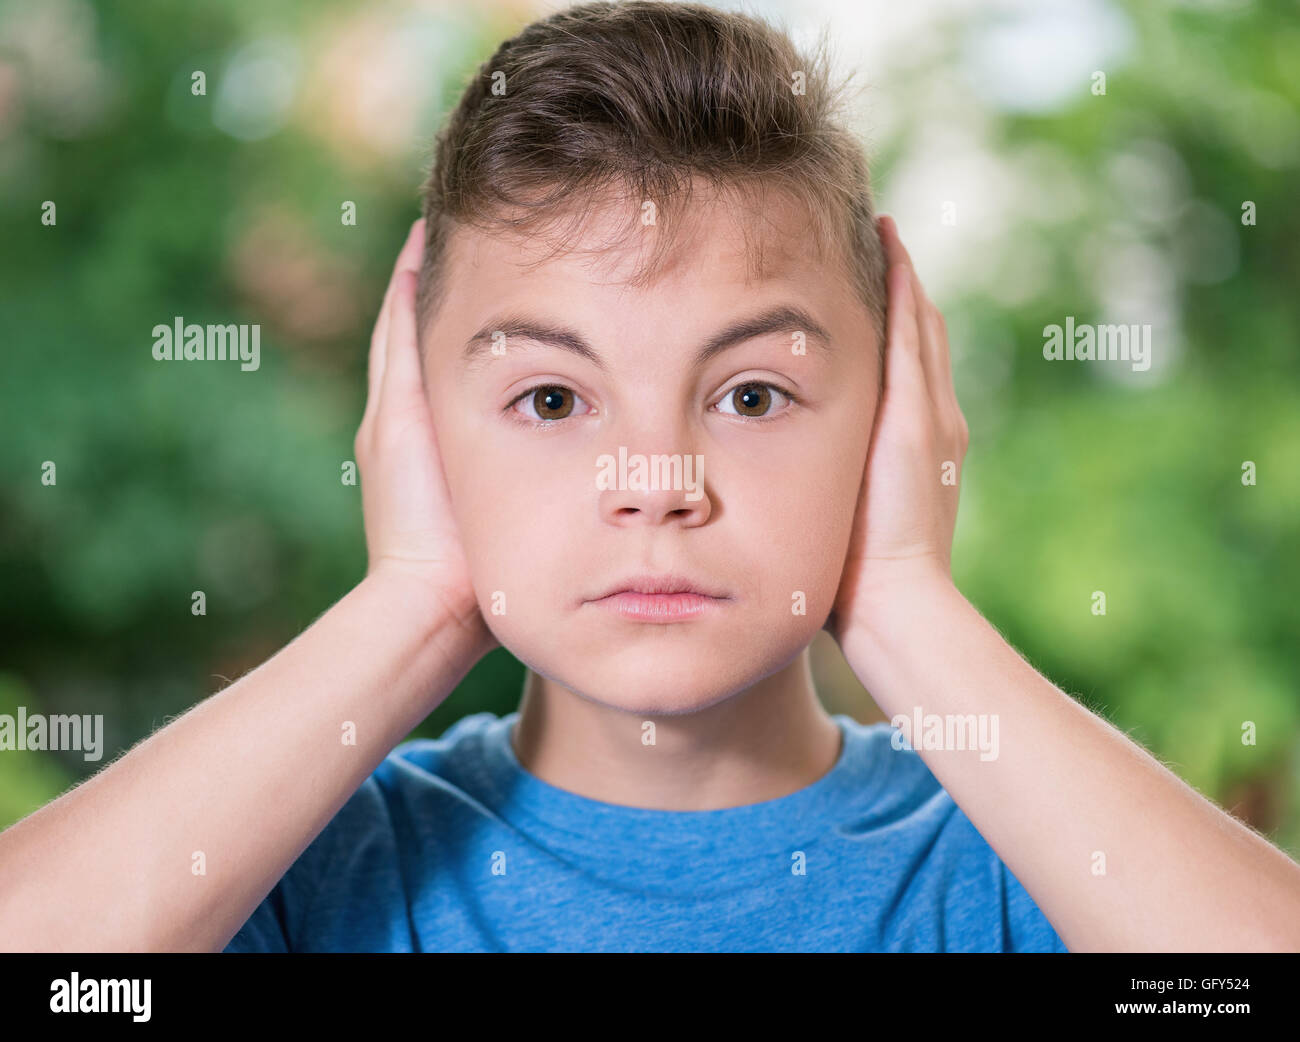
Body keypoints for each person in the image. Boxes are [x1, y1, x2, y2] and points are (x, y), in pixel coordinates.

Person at [3, 1, 1298, 953]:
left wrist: (907, 600)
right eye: (552, 398)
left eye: (750, 394)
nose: (655, 479)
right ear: (417, 424)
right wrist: (410, 597)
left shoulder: (1031, 868)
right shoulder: (289, 869)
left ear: (898, 412)